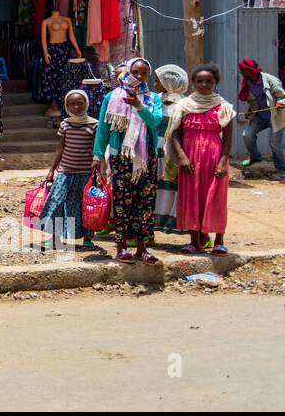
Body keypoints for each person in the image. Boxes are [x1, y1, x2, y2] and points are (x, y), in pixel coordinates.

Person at [92, 57, 164, 264]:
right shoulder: (112, 97)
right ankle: (121, 245)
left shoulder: (152, 99)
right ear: (127, 72)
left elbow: (155, 122)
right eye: (136, 72)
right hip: (120, 158)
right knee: (123, 201)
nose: (139, 76)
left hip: (145, 158)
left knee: (145, 202)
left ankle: (142, 247)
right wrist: (98, 156)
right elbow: (103, 129)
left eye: (144, 73)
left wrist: (140, 106)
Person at [167, 63, 236, 256]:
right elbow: (174, 133)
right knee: (191, 197)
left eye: (209, 81)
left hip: (215, 158)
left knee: (216, 198)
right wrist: (181, 156)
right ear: (193, 83)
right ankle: (194, 242)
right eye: (200, 81)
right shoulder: (183, 105)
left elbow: (229, 139)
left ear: (216, 83)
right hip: (189, 159)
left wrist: (223, 162)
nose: (204, 84)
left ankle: (219, 241)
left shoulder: (224, 107)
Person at [39, 89, 99, 250]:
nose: (76, 107)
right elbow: (60, 148)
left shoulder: (94, 124)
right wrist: (52, 170)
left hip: (85, 173)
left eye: (80, 103)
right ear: (67, 105)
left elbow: (96, 150)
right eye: (72, 104)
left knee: (86, 204)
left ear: (86, 104)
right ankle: (53, 238)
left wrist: (100, 168)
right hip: (65, 171)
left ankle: (87, 239)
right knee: (56, 202)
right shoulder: (65, 124)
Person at [237, 58, 285, 179]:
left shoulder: (271, 80)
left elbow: (283, 97)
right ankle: (255, 157)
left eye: (242, 70)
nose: (240, 72)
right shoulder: (247, 82)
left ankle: (283, 170)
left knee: (275, 144)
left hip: (276, 116)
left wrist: (281, 102)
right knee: (247, 135)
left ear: (249, 70)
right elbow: (254, 101)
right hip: (260, 116)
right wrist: (250, 112)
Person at [152, 63, 189, 234]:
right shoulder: (155, 100)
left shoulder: (183, 105)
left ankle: (171, 220)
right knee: (155, 186)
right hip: (154, 149)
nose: (155, 84)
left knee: (171, 186)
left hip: (170, 151)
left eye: (158, 81)